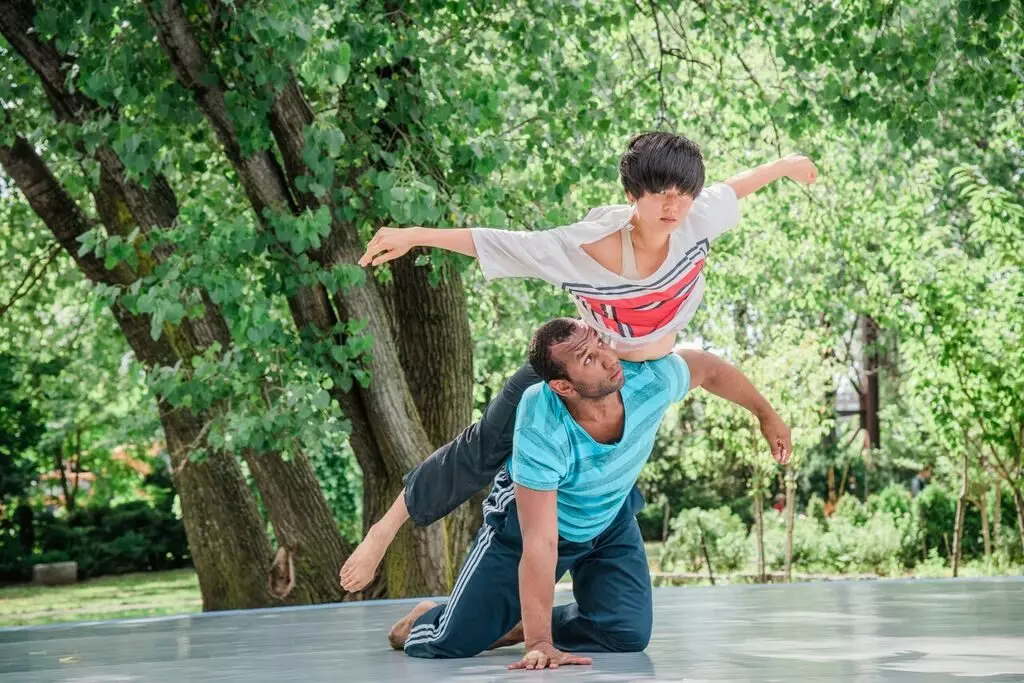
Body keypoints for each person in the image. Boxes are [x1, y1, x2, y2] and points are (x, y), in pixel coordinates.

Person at [340, 132, 816, 592]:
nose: (673, 206)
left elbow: (735, 187)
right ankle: (384, 531)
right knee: (483, 446)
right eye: (658, 195)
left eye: (682, 194)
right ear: (632, 194)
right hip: (584, 365)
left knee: (608, 468)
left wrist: (785, 166)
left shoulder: (697, 217)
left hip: (639, 372)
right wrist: (415, 235)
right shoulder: (583, 246)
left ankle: (593, 580)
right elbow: (504, 243)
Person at [386, 318, 792, 668]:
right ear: (563, 386)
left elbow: (709, 369)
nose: (608, 358)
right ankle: (428, 619)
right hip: (537, 523)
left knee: (625, 632)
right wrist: (541, 645)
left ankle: (518, 623)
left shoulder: (646, 379)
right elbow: (541, 542)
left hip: (609, 516)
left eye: (599, 343)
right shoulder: (541, 423)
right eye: (588, 359)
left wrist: (767, 416)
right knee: (455, 642)